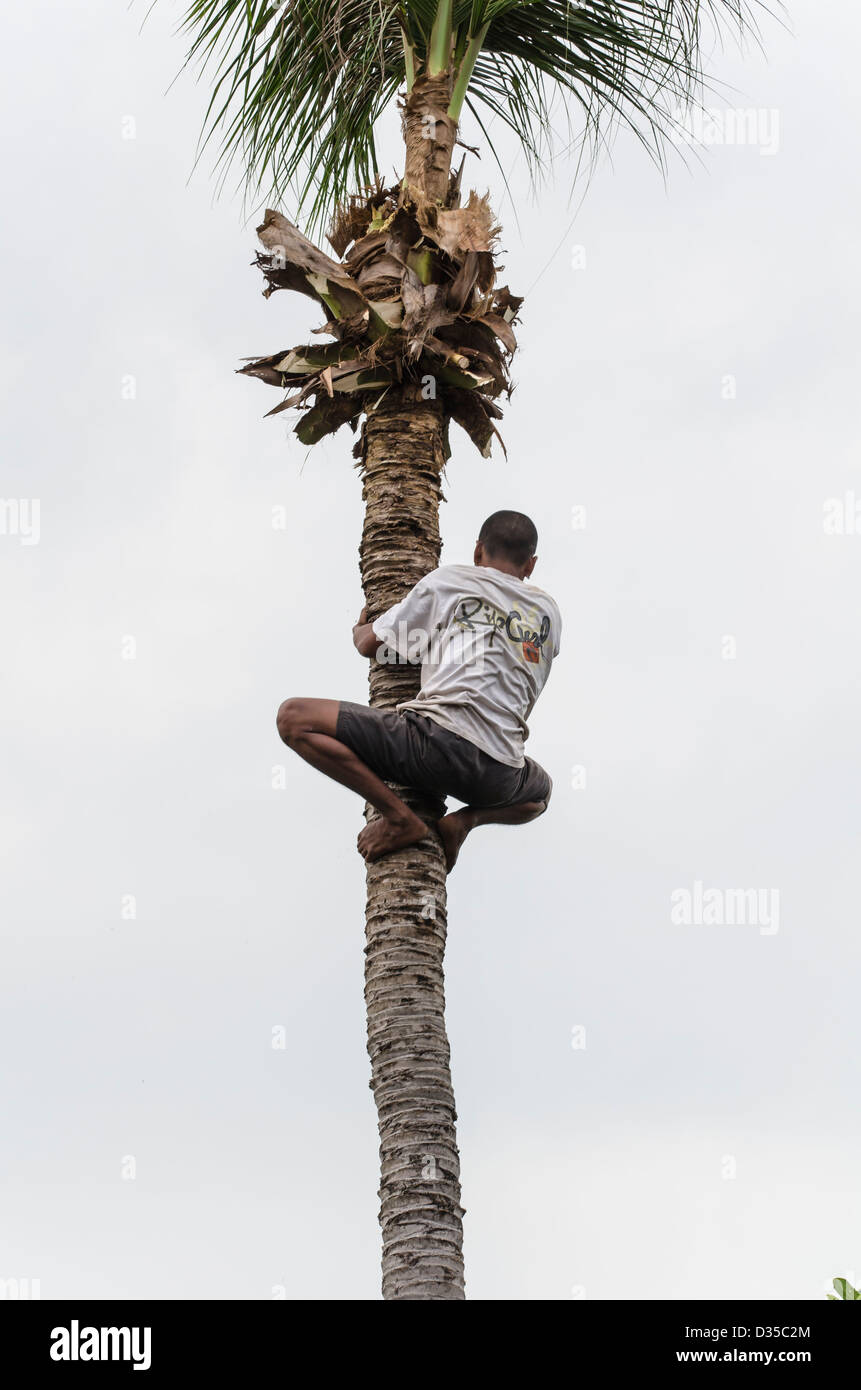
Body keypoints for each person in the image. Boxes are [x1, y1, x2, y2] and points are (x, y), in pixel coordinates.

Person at [276, 509, 562, 872]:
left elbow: (371, 645)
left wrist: (359, 628)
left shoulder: (452, 580)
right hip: (499, 774)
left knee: (294, 719)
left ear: (477, 552)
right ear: (531, 565)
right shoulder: (549, 613)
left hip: (432, 745)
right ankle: (464, 822)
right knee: (541, 793)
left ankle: (399, 818)